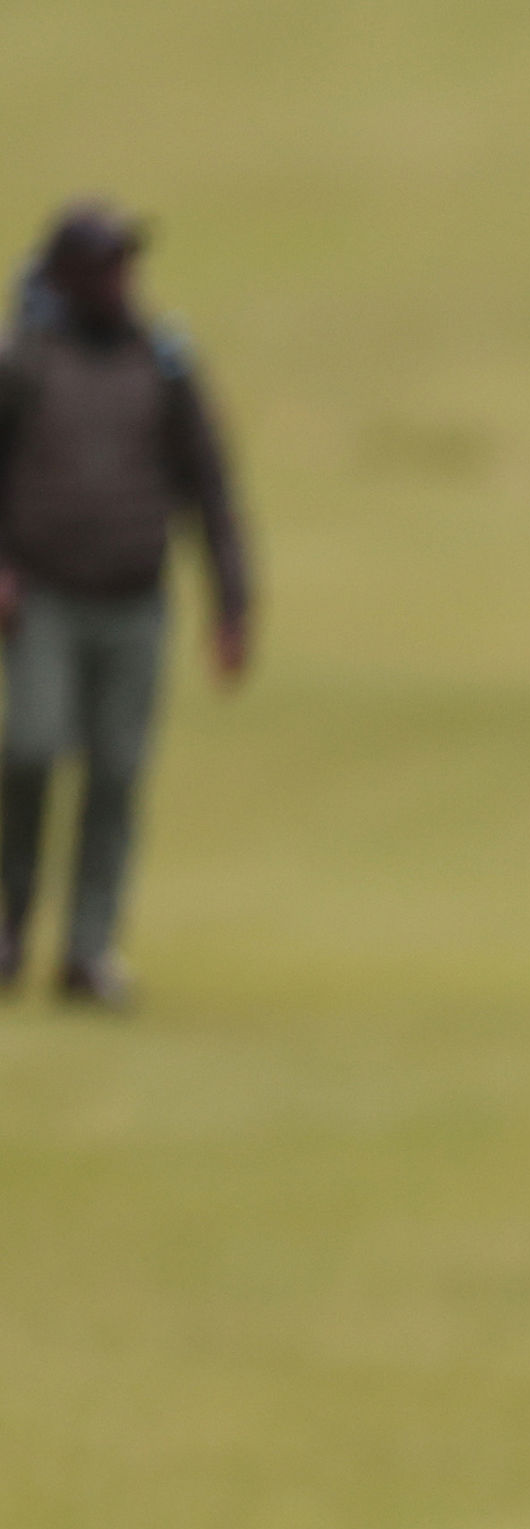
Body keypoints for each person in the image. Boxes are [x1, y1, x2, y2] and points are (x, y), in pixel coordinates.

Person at [0, 203, 250, 1008]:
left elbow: (207, 482)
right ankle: (9, 926)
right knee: (30, 747)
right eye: (106, 268)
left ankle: (88, 950)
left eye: (126, 267)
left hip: (134, 599)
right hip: (43, 594)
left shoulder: (162, 362)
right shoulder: (26, 365)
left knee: (116, 772)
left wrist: (231, 599)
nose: (122, 283)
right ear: (69, 278)